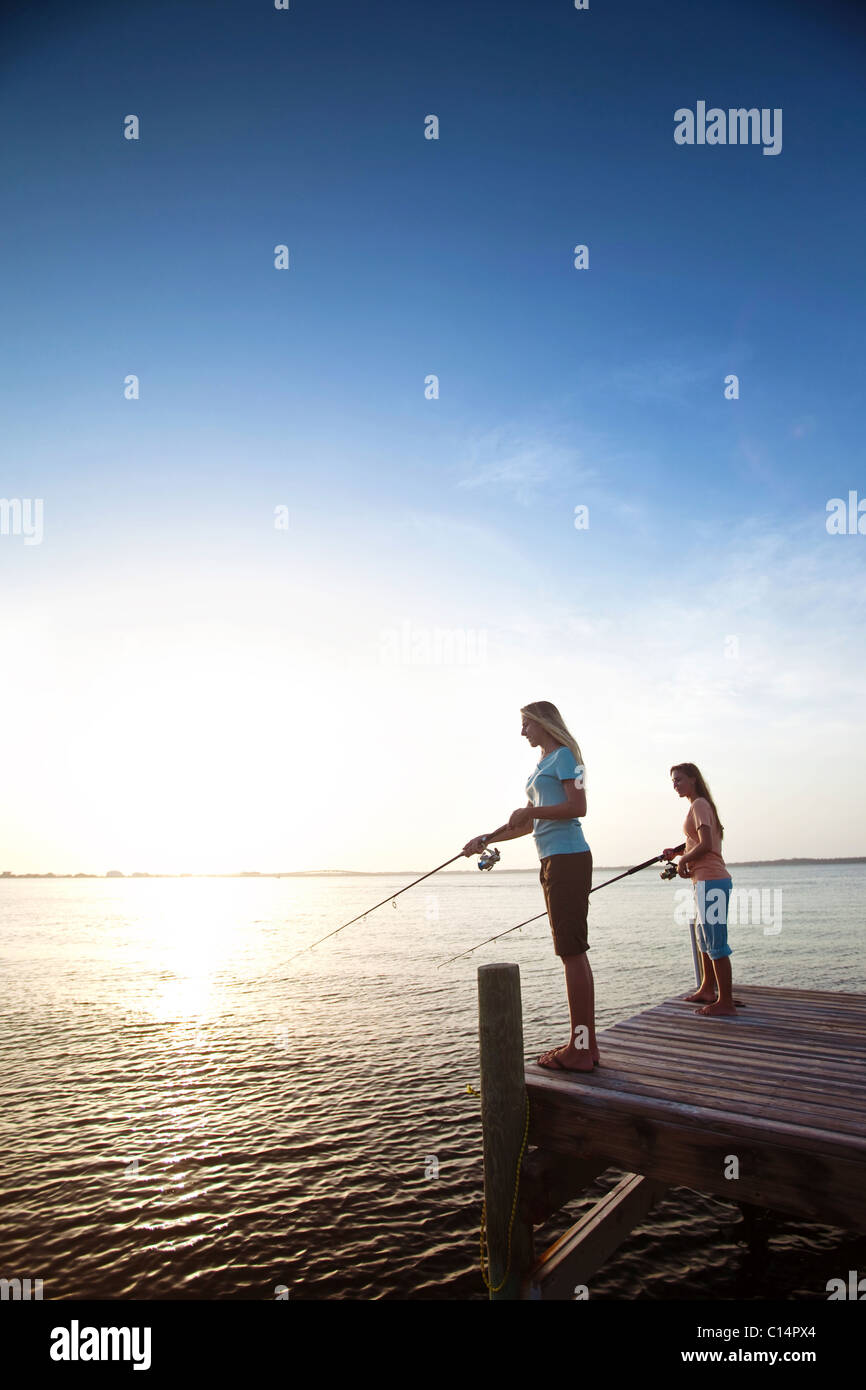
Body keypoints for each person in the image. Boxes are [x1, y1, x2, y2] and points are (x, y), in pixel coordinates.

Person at [463, 701, 598, 1071]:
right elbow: (525, 825)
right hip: (553, 859)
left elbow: (578, 806)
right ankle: (588, 1046)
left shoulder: (568, 757)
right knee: (572, 951)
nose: (523, 732)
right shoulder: (541, 766)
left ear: (542, 723)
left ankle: (581, 1050)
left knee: (571, 952)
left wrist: (532, 812)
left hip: (569, 858)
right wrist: (487, 837)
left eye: (526, 724)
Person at [663, 763, 736, 1017]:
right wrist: (678, 851)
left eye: (679, 779)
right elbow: (697, 841)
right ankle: (707, 988)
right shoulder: (697, 806)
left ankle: (725, 1001)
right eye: (672, 781)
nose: (675, 784)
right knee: (703, 938)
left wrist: (683, 860)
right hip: (703, 881)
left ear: (693, 779)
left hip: (712, 880)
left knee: (716, 941)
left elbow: (706, 845)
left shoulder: (700, 805)